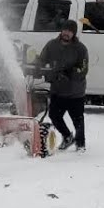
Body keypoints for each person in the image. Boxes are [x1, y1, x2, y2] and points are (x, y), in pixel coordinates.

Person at [38, 18, 90, 151]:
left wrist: (69, 74)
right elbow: (42, 61)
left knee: (77, 119)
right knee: (54, 116)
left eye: (70, 31)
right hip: (57, 90)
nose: (66, 33)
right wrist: (38, 68)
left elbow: (83, 69)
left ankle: (80, 144)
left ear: (74, 33)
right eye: (65, 30)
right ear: (61, 31)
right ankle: (67, 137)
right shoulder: (51, 45)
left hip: (75, 91)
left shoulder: (80, 49)